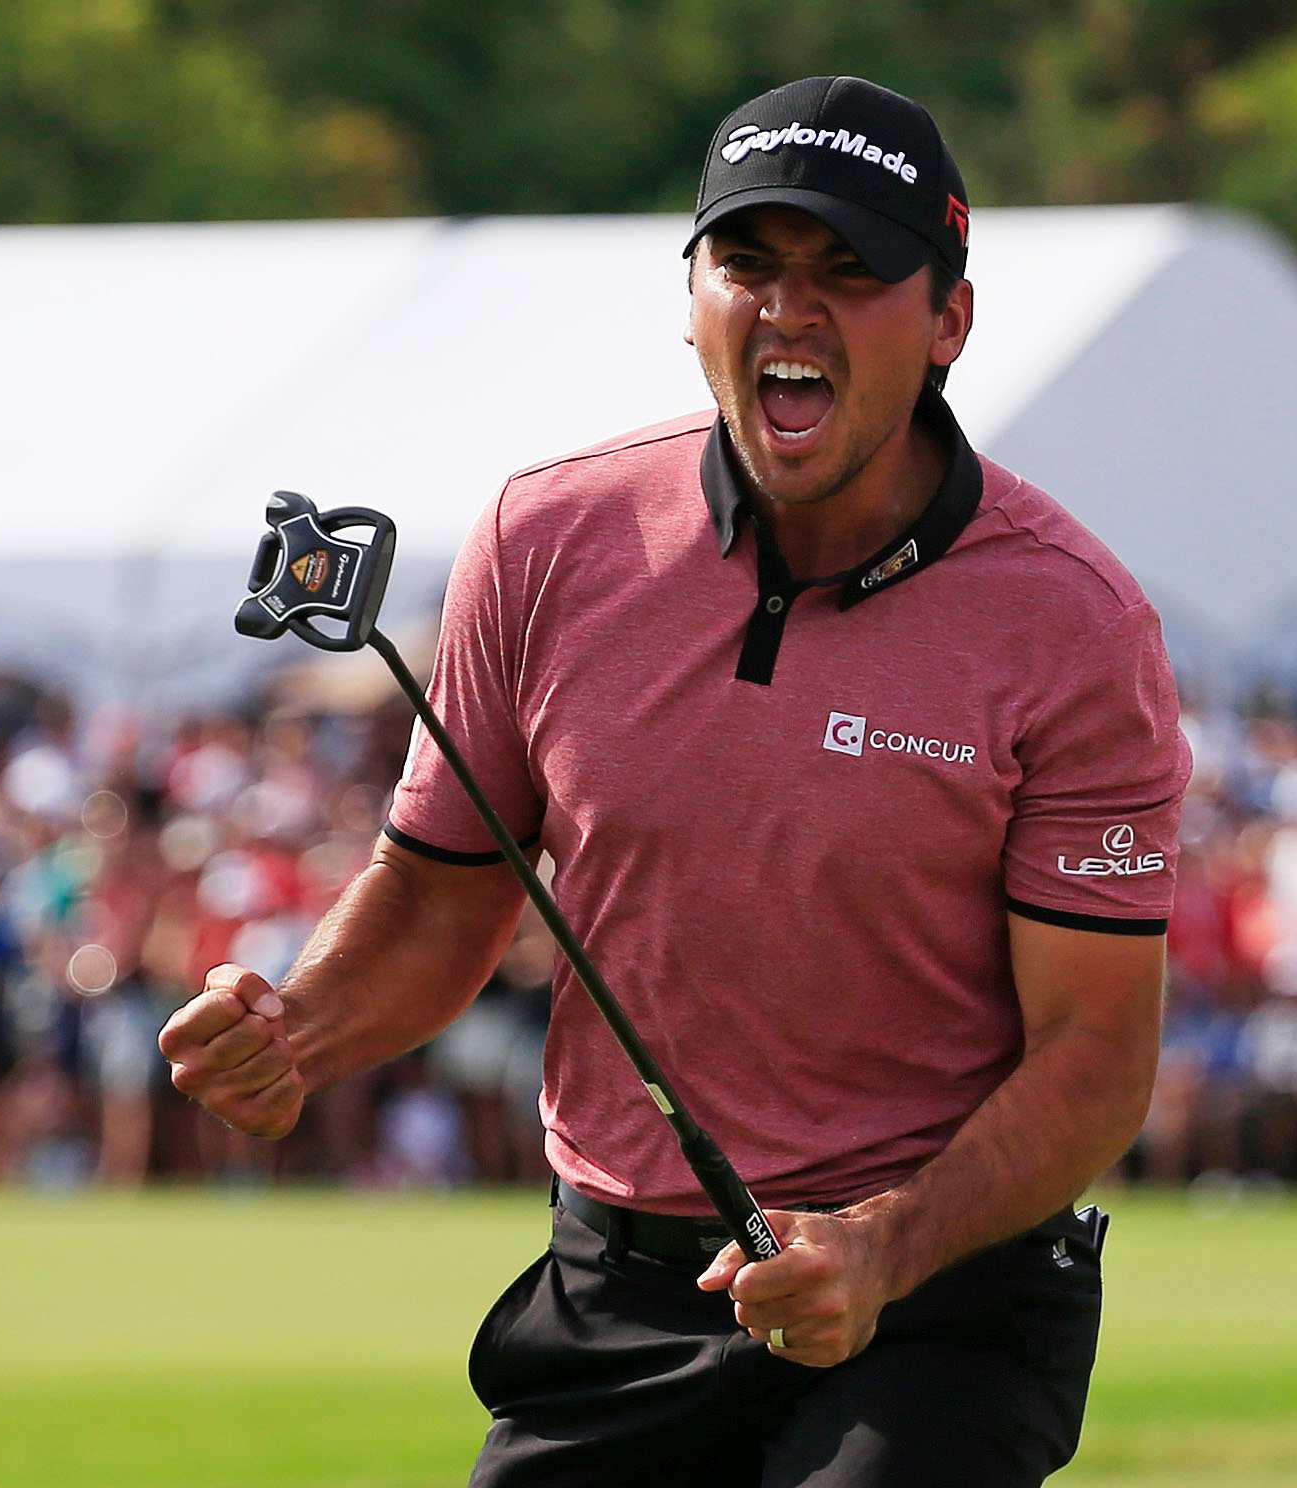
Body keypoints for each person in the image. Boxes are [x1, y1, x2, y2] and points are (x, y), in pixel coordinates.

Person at [161, 76, 1190, 1487]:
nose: (790, 308)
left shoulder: (1072, 622)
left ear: (948, 319)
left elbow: (1096, 1058)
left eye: (850, 271)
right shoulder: (548, 539)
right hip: (620, 1288)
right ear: (691, 291)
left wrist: (883, 1247)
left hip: (940, 1302)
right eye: (750, 263)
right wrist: (300, 1030)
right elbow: (437, 896)